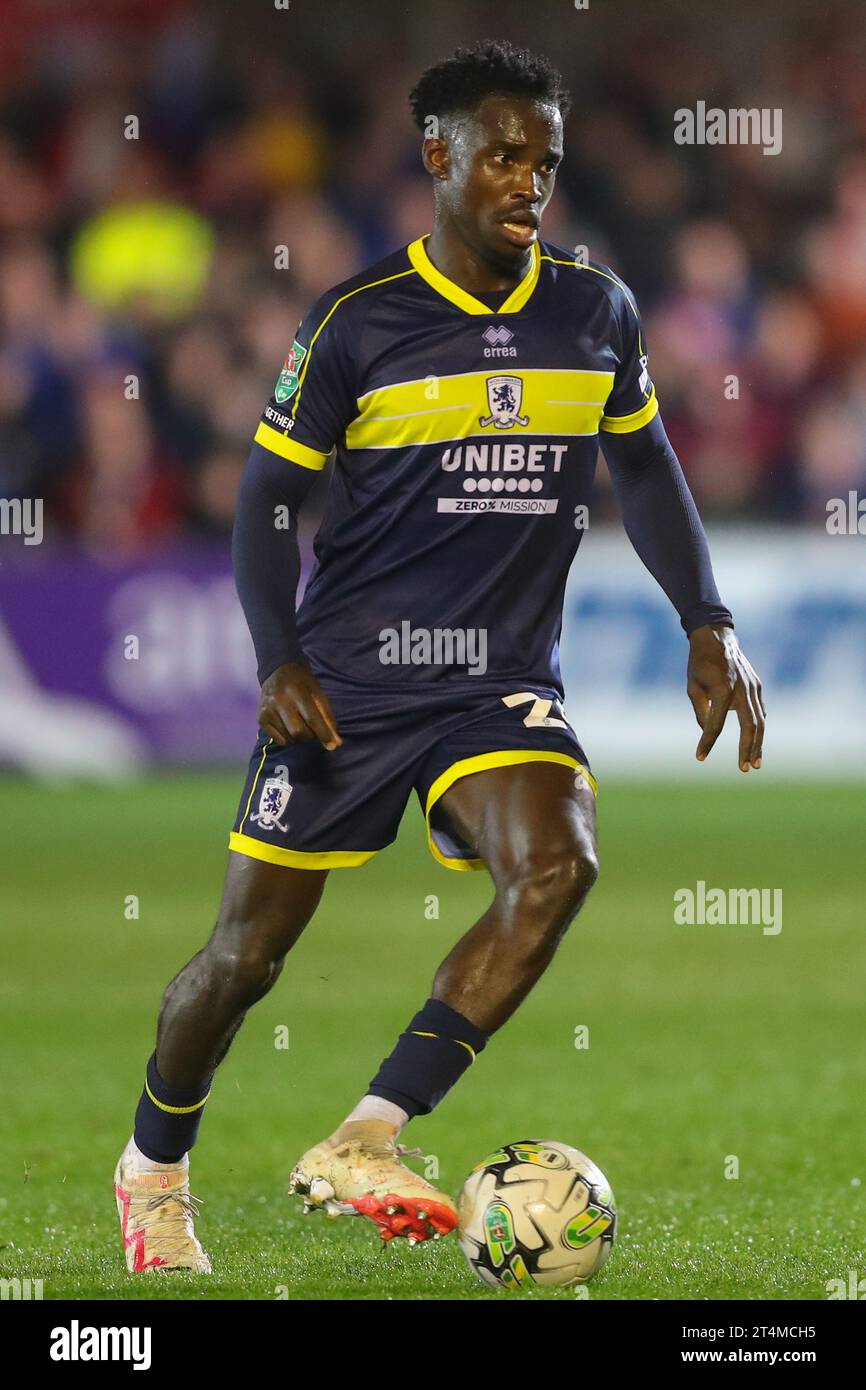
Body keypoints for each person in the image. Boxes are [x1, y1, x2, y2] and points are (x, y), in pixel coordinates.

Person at [114, 39, 765, 1272]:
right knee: (242, 960)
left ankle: (366, 1131)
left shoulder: (595, 308)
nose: (529, 181)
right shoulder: (356, 323)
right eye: (505, 156)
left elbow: (645, 466)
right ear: (438, 157)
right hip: (348, 684)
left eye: (548, 161)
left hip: (496, 682)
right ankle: (152, 1166)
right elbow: (262, 504)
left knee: (557, 861)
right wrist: (277, 657)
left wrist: (706, 617)